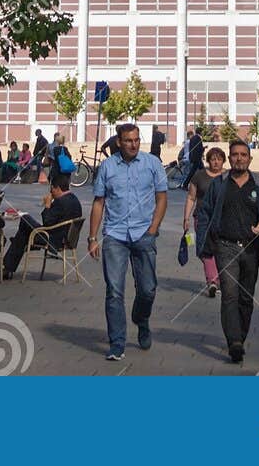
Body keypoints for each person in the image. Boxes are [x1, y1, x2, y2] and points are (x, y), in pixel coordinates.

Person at [88, 123, 167, 362]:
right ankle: (117, 343)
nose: (133, 144)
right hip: (115, 236)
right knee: (114, 291)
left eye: (136, 139)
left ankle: (141, 320)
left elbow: (162, 197)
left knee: (148, 289)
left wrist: (153, 228)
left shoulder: (152, 163)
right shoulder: (107, 167)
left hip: (144, 233)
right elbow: (99, 203)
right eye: (128, 140)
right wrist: (92, 237)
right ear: (119, 142)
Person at [200, 139, 259, 364]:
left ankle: (240, 337)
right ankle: (234, 342)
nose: (239, 158)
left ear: (250, 158)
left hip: (251, 249)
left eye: (243, 155)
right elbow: (205, 212)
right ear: (230, 157)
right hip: (225, 247)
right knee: (229, 294)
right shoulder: (220, 185)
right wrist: (203, 244)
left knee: (246, 298)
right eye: (235, 154)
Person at [2, 177, 83, 278]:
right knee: (23, 234)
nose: (51, 192)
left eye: (52, 189)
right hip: (68, 238)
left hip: (53, 239)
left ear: (58, 188)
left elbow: (47, 223)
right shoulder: (74, 199)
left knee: (25, 219)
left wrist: (47, 205)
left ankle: (9, 265)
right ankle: (20, 245)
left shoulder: (60, 202)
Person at [183, 143, 225, 297]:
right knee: (202, 249)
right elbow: (191, 197)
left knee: (221, 250)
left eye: (219, 159)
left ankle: (215, 279)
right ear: (208, 161)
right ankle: (213, 281)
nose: (216, 162)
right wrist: (186, 217)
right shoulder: (199, 176)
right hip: (201, 218)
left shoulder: (228, 177)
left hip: (222, 219)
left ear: (223, 161)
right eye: (213, 159)